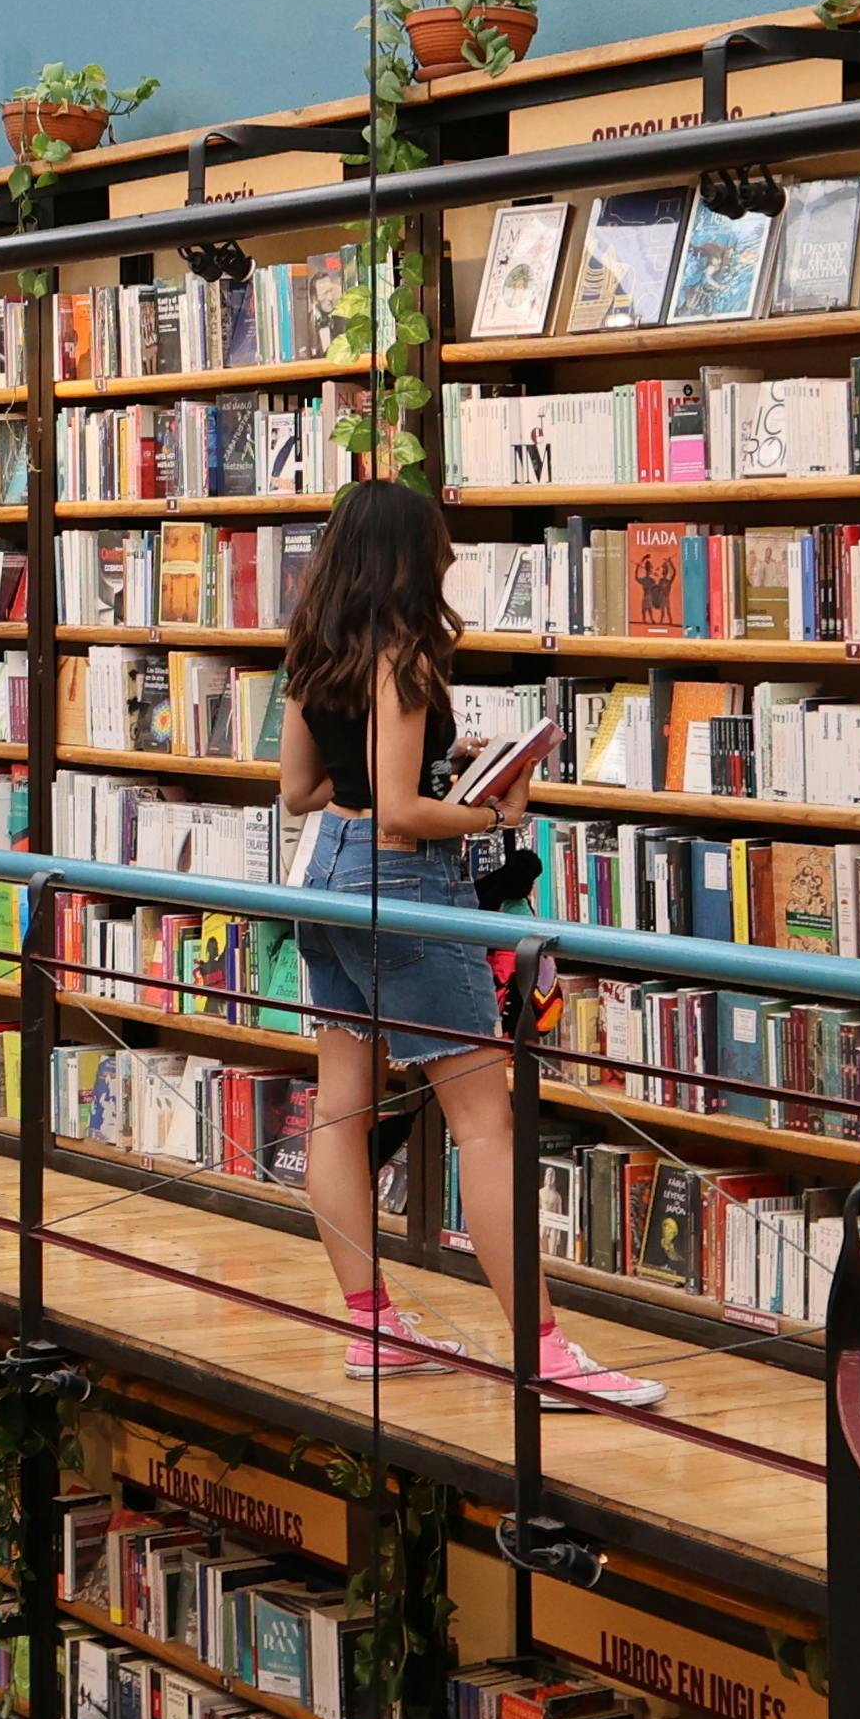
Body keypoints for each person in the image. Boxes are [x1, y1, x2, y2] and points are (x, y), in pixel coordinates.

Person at [271, 478, 661, 1405]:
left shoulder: (314, 649)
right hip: (402, 892)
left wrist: (431, 772)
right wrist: (490, 808)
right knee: (489, 1123)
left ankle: (370, 1325)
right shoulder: (403, 656)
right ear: (411, 553)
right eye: (438, 545)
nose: (447, 558)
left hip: (323, 878)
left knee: (340, 1106)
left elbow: (302, 793)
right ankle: (545, 1355)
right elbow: (402, 818)